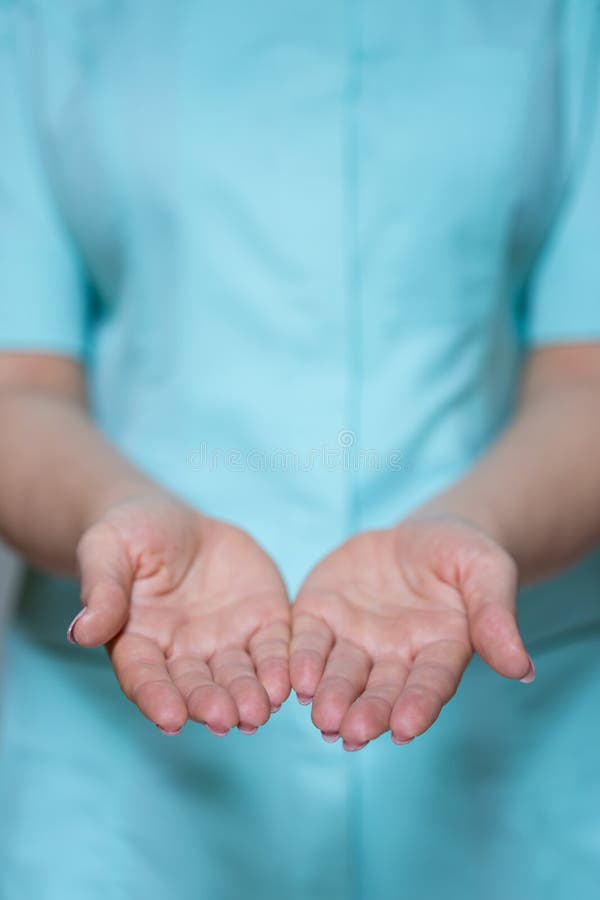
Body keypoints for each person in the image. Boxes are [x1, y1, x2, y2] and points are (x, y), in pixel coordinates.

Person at [1, 2, 599, 898]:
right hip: (123, 781)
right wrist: (109, 516)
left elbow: (586, 378)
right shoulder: (38, 18)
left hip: (508, 746)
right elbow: (18, 386)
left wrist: (478, 525)